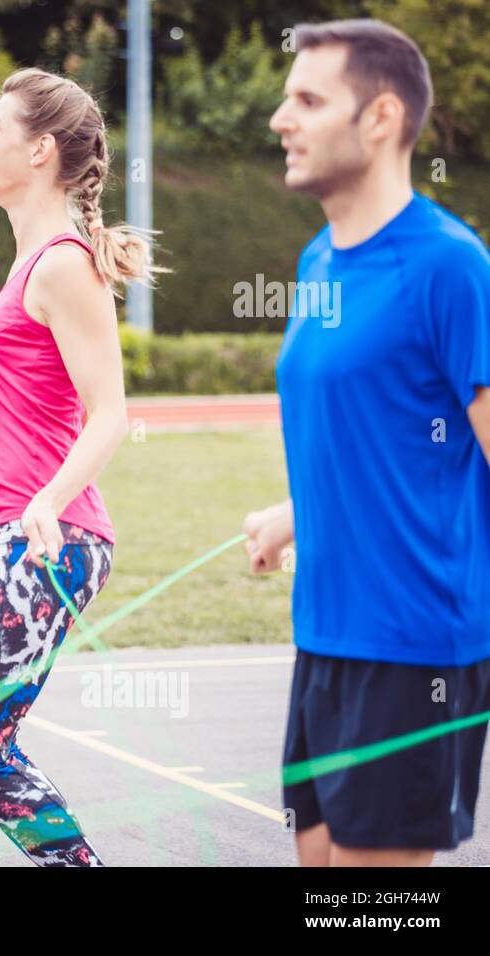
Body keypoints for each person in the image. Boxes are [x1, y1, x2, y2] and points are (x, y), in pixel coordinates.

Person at [245, 19, 490, 867]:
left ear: (381, 118)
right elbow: (385, 431)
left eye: (309, 99)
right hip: (326, 638)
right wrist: (297, 514)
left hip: (415, 651)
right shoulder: (319, 260)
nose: (282, 117)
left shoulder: (451, 268)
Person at [0, 67, 158, 867]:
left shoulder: (63, 264)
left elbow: (113, 414)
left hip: (51, 537)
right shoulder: (34, 261)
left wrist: (48, 500)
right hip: (23, 534)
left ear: (39, 150)